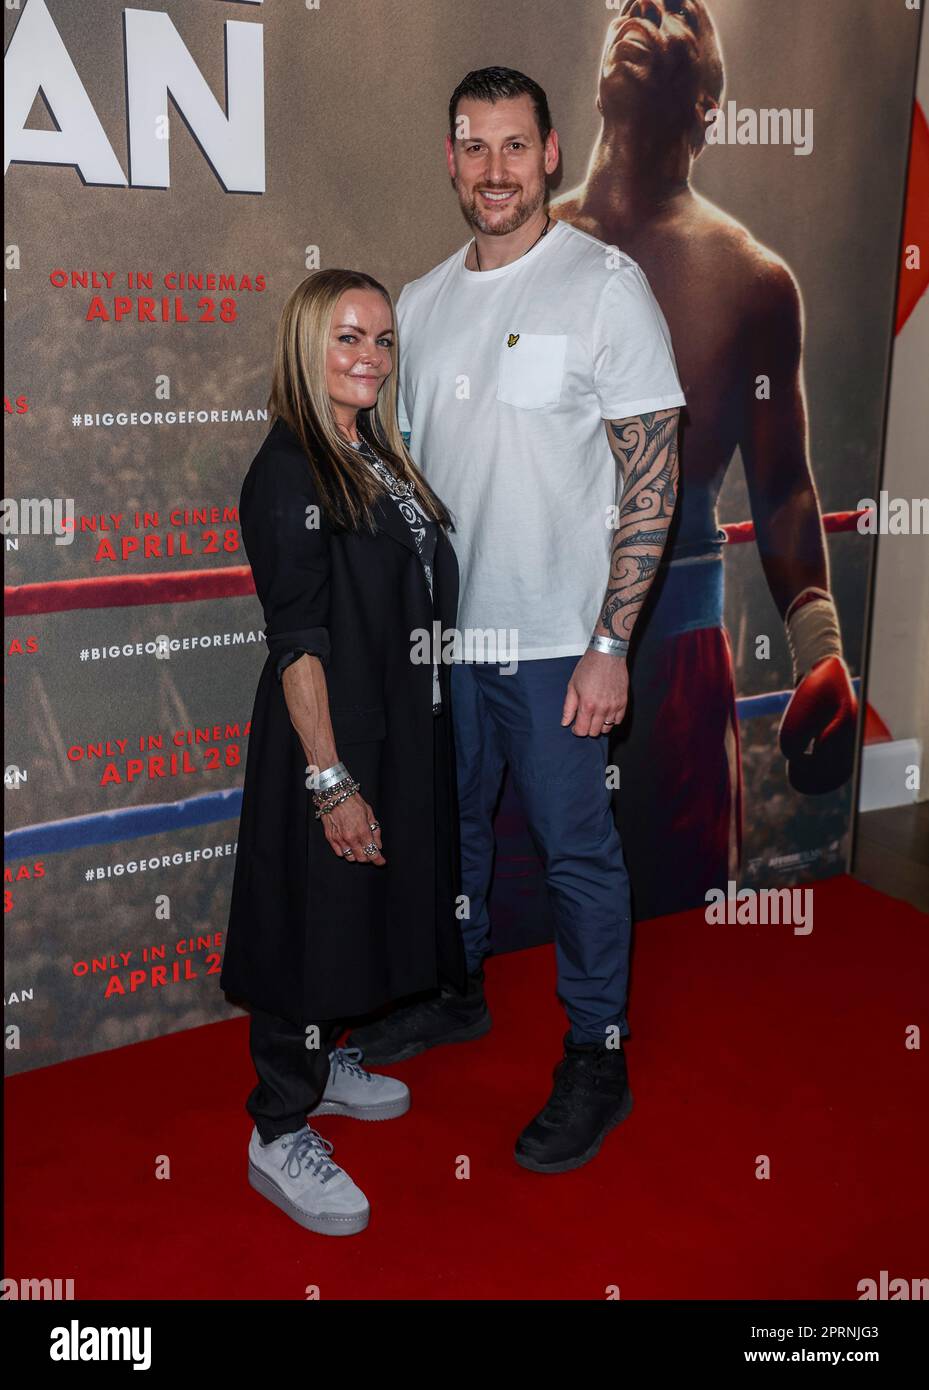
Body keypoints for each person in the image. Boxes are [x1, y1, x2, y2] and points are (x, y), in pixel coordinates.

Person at [348, 68, 685, 1174]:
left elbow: (651, 476)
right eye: (471, 147)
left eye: (512, 146)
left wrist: (607, 643)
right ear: (449, 160)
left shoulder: (603, 286)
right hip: (449, 641)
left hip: (555, 645)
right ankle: (457, 991)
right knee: (449, 833)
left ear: (549, 153)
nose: (492, 169)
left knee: (575, 851)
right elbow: (400, 476)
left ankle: (598, 1053)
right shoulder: (423, 300)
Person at [550, 0, 858, 918]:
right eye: (630, 5)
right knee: (515, 930)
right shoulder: (517, 253)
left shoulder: (751, 279)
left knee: (683, 938)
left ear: (708, 105)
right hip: (526, 639)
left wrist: (819, 648)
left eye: (676, 8)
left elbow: (782, 484)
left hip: (676, 655)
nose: (641, 9)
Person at [221, 268, 466, 1234]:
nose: (369, 357)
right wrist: (329, 781)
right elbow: (300, 640)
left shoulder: (372, 452)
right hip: (323, 738)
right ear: (306, 348)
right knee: (308, 919)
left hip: (391, 726)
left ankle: (323, 1065)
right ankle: (277, 1128)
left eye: (383, 341)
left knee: (355, 911)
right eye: (347, 339)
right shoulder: (290, 470)